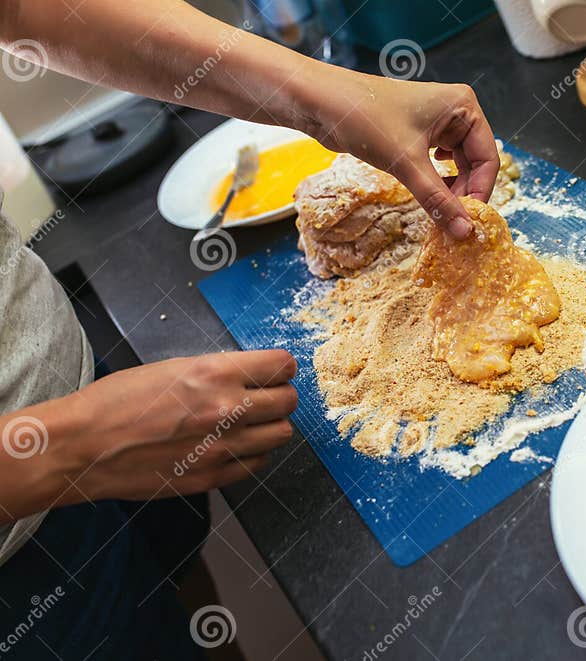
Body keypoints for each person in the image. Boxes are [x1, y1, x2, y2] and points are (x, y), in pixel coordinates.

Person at [0, 0, 500, 657]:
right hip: (22, 562)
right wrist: (59, 448)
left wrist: (333, 100)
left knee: (182, 588)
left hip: (73, 377)